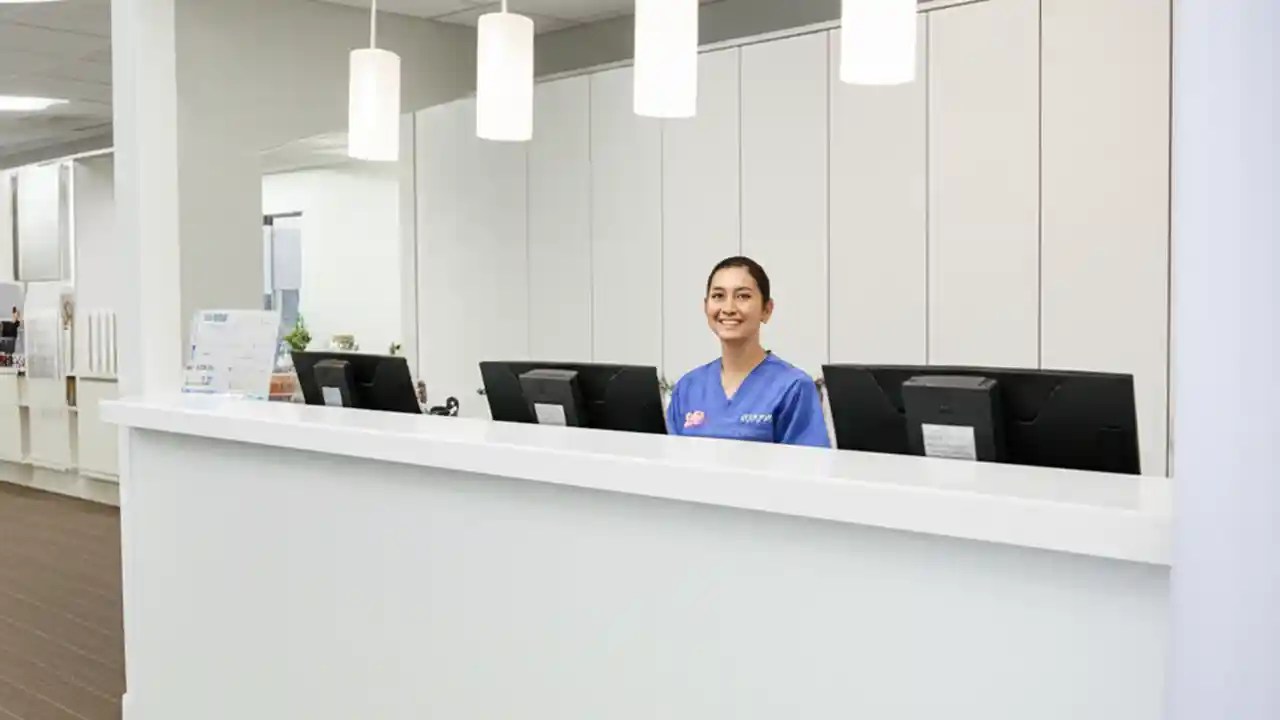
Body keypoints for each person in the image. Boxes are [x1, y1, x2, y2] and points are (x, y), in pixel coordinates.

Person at [666, 256, 830, 448]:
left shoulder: (793, 388)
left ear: (766, 310)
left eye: (743, 296)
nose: (728, 308)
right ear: (705, 306)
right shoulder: (688, 388)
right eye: (718, 296)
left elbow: (809, 469)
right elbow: (669, 465)